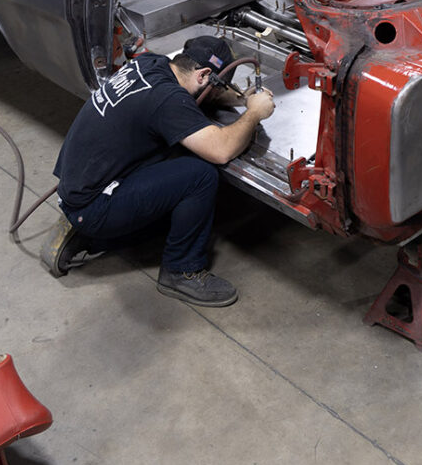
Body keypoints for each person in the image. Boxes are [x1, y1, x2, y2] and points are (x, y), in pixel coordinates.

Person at [41, 35, 276, 307]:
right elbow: (221, 149)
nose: (217, 91)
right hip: (93, 205)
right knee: (200, 175)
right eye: (216, 84)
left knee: (175, 150)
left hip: (79, 187)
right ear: (204, 75)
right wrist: (254, 114)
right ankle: (181, 270)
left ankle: (87, 236)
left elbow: (200, 92)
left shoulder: (150, 63)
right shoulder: (168, 100)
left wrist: (240, 99)